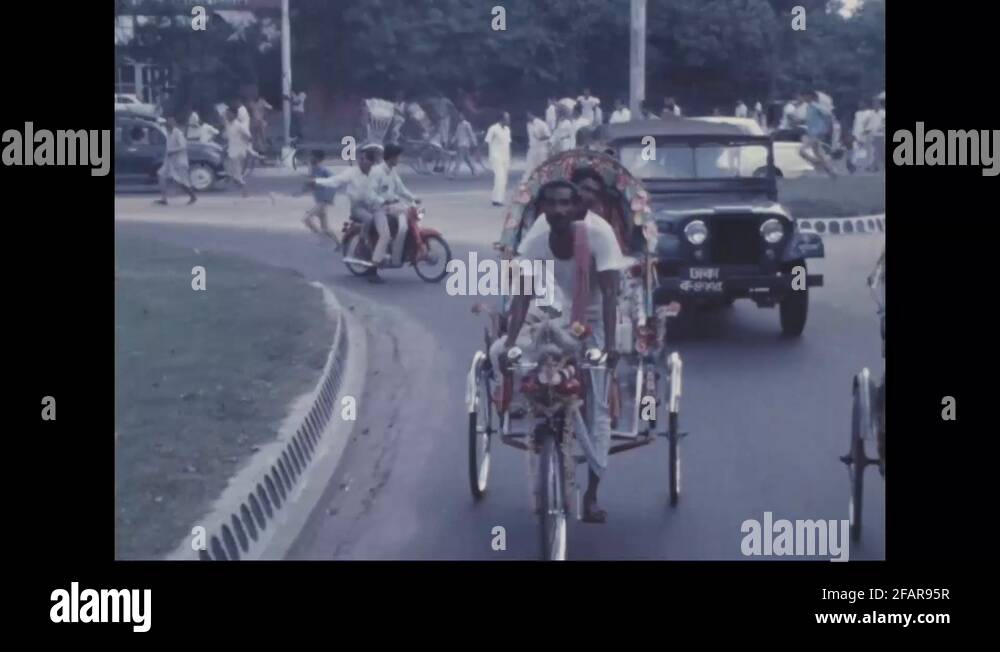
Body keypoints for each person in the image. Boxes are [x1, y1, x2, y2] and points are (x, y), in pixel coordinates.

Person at [498, 180, 628, 523]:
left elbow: (612, 295)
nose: (558, 210)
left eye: (565, 204)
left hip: (599, 315)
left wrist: (610, 349)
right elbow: (523, 295)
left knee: (598, 406)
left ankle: (592, 495)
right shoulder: (538, 238)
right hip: (559, 310)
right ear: (542, 209)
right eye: (551, 204)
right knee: (528, 359)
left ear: (578, 209)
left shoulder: (599, 235)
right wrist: (511, 343)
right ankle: (540, 420)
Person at [312, 147, 390, 283]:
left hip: (375, 206)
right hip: (358, 208)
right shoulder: (352, 173)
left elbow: (386, 188)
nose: (360, 161)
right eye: (360, 158)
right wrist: (317, 182)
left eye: (364, 159)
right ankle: (363, 243)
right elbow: (335, 180)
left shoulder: (377, 174)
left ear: (371, 162)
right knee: (371, 221)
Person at [371, 143, 420, 266]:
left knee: (409, 216)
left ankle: (398, 252)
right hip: (378, 209)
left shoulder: (392, 171)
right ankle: (374, 265)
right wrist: (382, 201)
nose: (399, 159)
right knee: (385, 235)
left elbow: (401, 189)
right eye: (398, 157)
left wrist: (413, 198)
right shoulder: (377, 172)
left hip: (392, 207)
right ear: (391, 157)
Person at [154, 116, 197, 205]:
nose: (168, 124)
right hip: (169, 161)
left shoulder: (178, 133)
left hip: (179, 161)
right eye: (168, 123)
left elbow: (183, 146)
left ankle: (192, 196)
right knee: (160, 175)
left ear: (174, 123)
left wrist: (172, 151)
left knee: (182, 181)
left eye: (171, 122)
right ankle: (164, 199)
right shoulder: (168, 133)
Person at [301, 149, 339, 243]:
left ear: (318, 158)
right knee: (325, 228)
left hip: (323, 201)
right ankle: (339, 244)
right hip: (318, 201)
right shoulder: (313, 169)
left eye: (312, 156)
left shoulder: (323, 170)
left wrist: (329, 196)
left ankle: (321, 237)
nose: (310, 158)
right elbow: (311, 184)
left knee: (306, 219)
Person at [799, 91, 837, 178]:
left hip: (817, 134)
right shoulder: (808, 107)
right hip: (811, 134)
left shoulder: (817, 107)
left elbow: (828, 116)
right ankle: (830, 170)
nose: (803, 98)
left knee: (802, 151)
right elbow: (810, 120)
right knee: (819, 154)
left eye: (804, 96)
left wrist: (825, 130)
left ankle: (818, 164)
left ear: (809, 96)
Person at [223, 107, 253, 196]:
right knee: (235, 174)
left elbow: (249, 138)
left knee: (237, 175)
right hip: (231, 151)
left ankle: (245, 191)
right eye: (226, 114)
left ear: (234, 115)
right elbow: (223, 118)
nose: (227, 116)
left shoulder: (239, 126)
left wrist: (245, 146)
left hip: (238, 153)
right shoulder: (228, 124)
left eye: (229, 114)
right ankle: (243, 190)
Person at [485, 112, 512, 206]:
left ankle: (497, 198)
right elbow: (487, 141)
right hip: (496, 157)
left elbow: (507, 144)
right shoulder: (493, 129)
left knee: (504, 179)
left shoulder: (507, 130)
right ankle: (497, 200)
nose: (509, 120)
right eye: (507, 118)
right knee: (499, 177)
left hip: (505, 157)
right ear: (501, 119)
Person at [522, 109, 552, 181]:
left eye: (528, 114)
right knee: (529, 167)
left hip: (541, 149)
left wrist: (540, 138)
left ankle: (542, 183)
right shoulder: (528, 124)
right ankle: (526, 184)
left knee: (541, 167)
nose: (527, 116)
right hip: (532, 149)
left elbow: (548, 135)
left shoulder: (541, 123)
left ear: (531, 114)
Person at [449, 112, 478, 178]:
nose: (459, 117)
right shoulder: (459, 125)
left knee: (459, 159)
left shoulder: (467, 124)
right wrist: (452, 141)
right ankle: (474, 171)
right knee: (467, 159)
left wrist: (474, 142)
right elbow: (456, 135)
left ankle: (454, 174)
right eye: (459, 116)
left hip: (465, 144)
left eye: (461, 116)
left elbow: (470, 133)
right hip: (460, 144)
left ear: (464, 117)